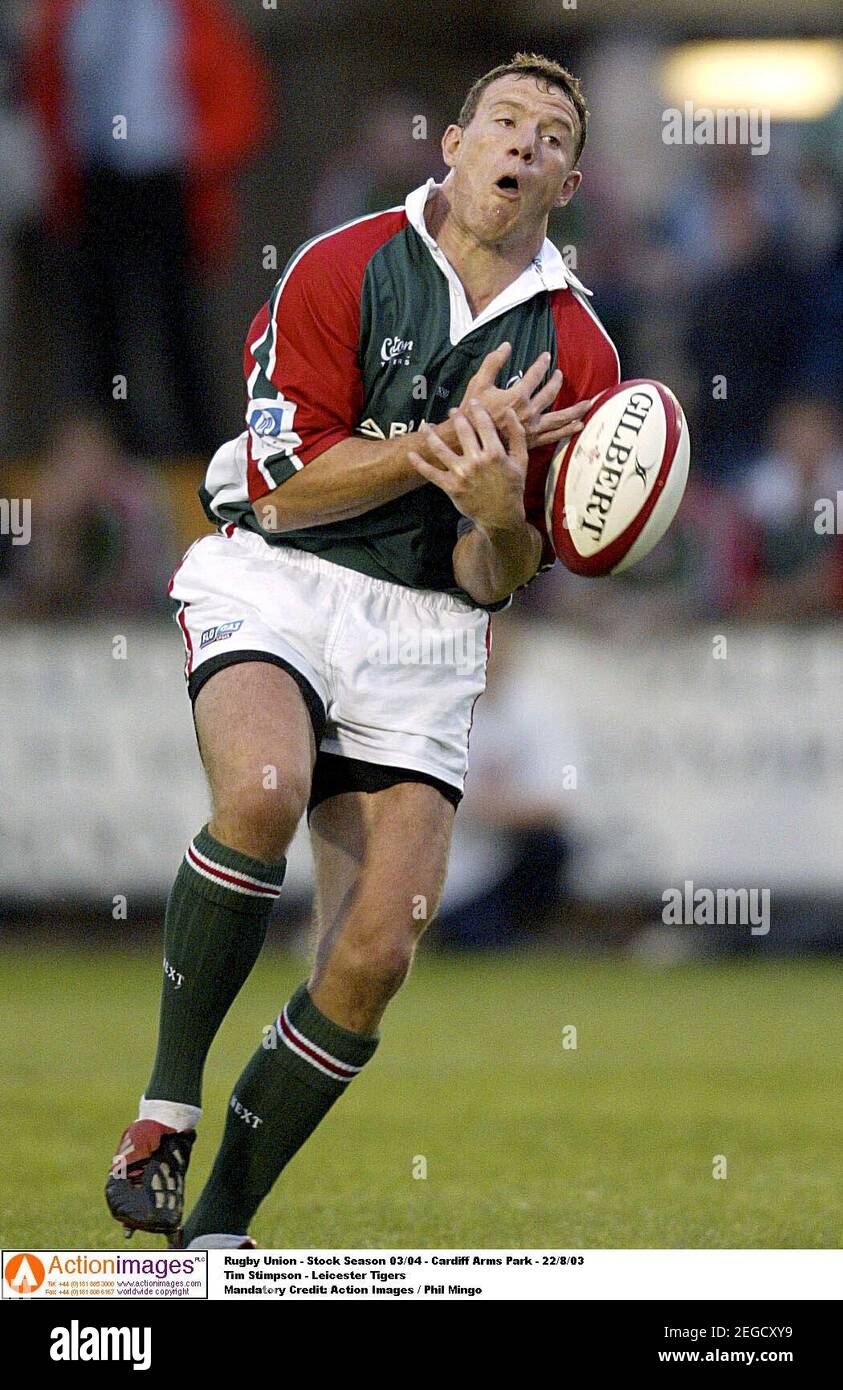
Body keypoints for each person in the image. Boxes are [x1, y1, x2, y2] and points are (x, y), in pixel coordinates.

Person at [105, 51, 620, 1250]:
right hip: (282, 575)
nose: (524, 142)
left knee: (374, 955)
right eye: (504, 120)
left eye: (550, 135)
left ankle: (216, 1228)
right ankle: (163, 1114)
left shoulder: (582, 352)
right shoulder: (341, 266)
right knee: (264, 791)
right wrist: (444, 440)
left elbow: (497, 575)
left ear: (570, 181)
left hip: (427, 630)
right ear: (454, 144)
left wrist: (498, 508)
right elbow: (285, 486)